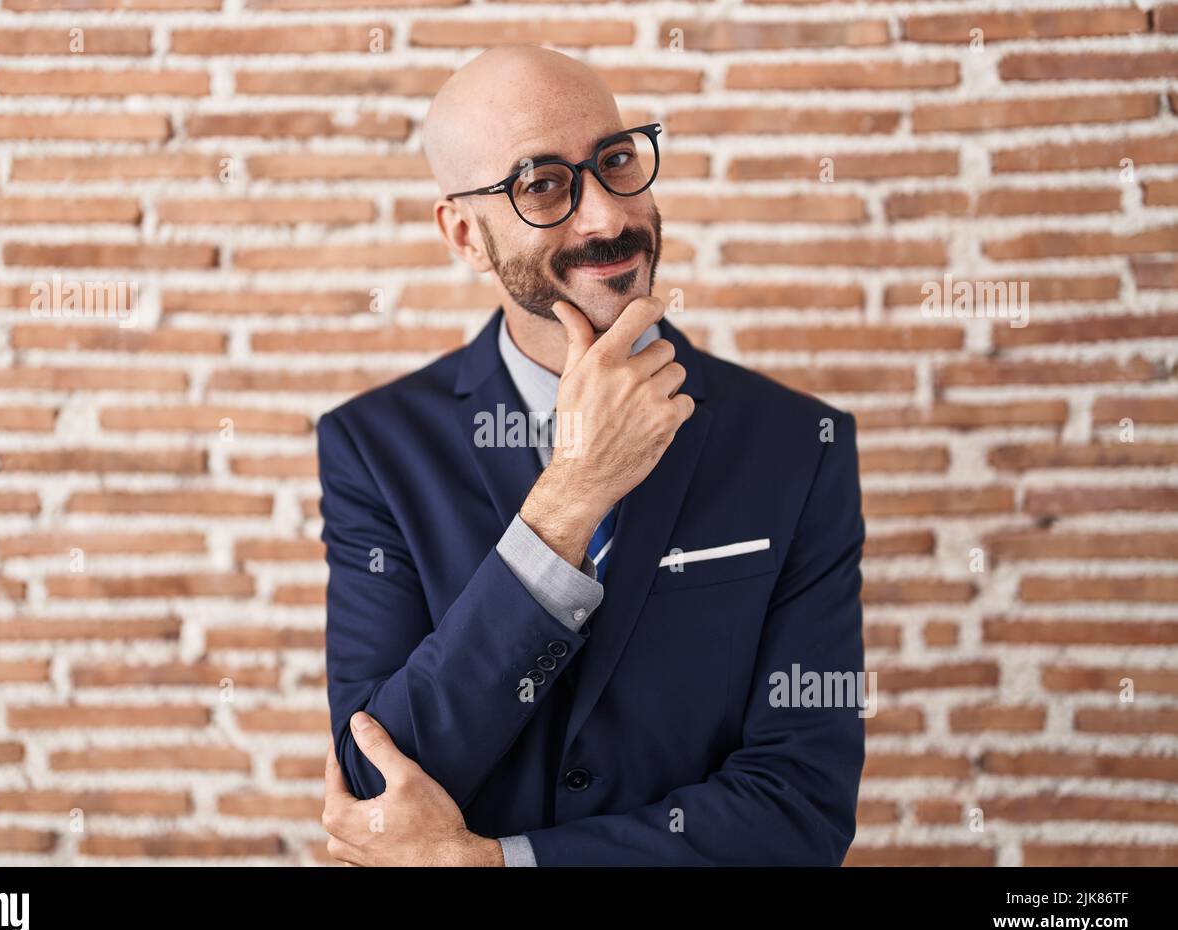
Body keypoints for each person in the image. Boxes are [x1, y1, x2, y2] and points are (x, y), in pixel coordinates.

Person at [317, 43, 866, 866]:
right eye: (542, 184)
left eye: (616, 161)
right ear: (466, 234)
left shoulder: (801, 444)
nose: (608, 217)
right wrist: (571, 495)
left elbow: (802, 809)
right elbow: (374, 787)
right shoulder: (375, 447)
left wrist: (501, 864)